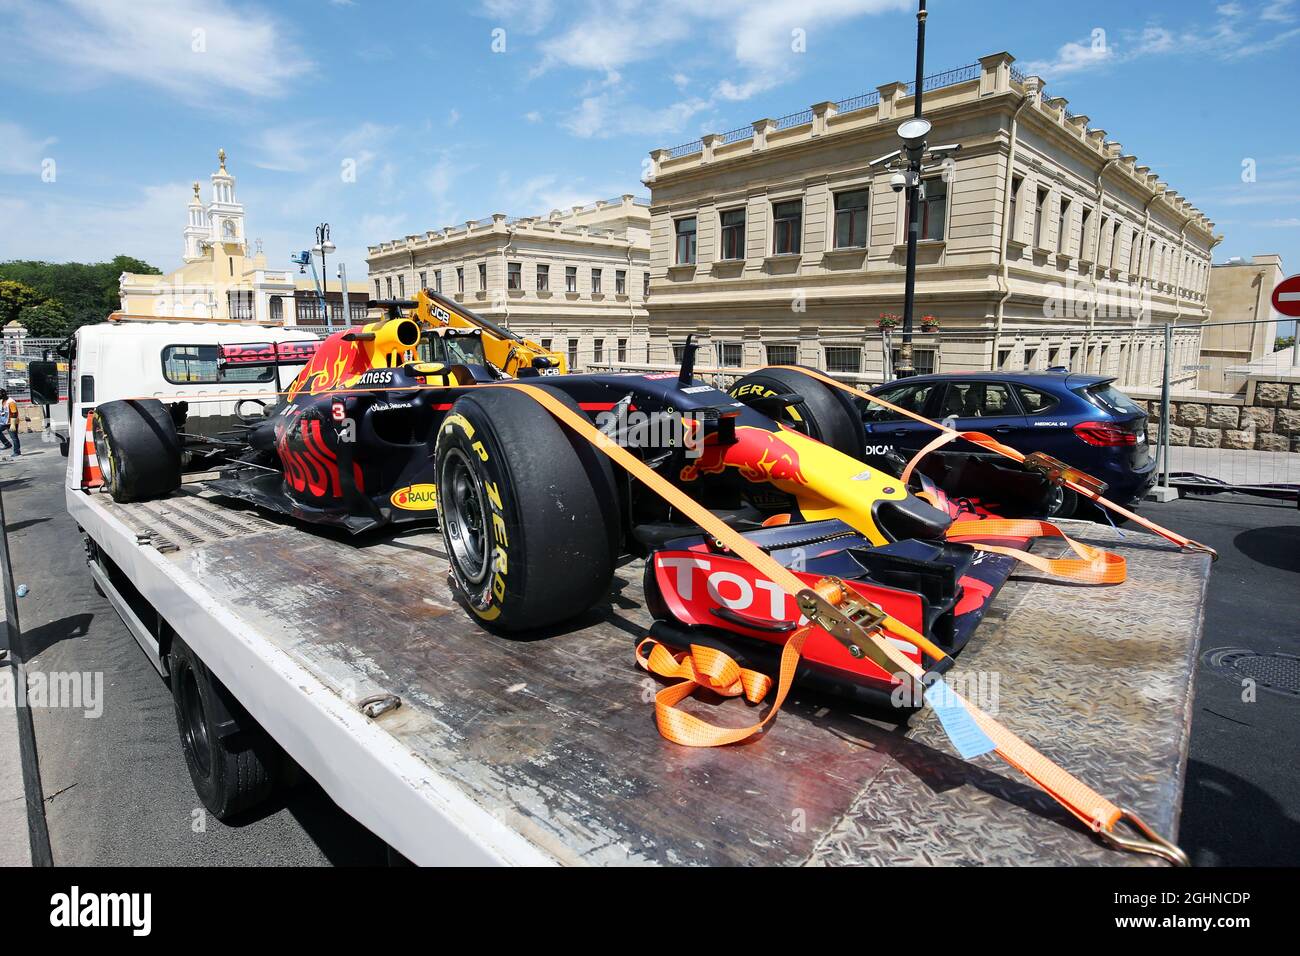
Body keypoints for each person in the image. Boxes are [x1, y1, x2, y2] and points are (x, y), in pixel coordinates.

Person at [0, 390, 18, 458]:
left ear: (3, 394)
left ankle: (17, 452)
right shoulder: (1, 401)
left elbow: (14, 413)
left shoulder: (11, 402)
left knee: (14, 438)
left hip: (11, 422)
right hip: (4, 422)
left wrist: (13, 424)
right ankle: (7, 444)